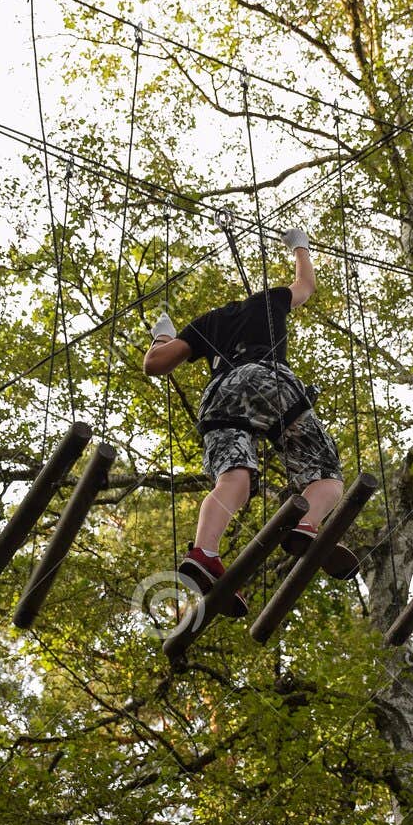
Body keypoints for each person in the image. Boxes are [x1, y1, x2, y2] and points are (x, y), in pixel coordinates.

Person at [143, 226, 355, 612]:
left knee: (233, 478)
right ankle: (306, 526)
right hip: (269, 380)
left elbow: (155, 365)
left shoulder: (208, 323)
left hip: (223, 392)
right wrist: (300, 246)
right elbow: (305, 286)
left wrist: (163, 335)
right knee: (326, 476)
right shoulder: (270, 300)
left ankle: (204, 551)